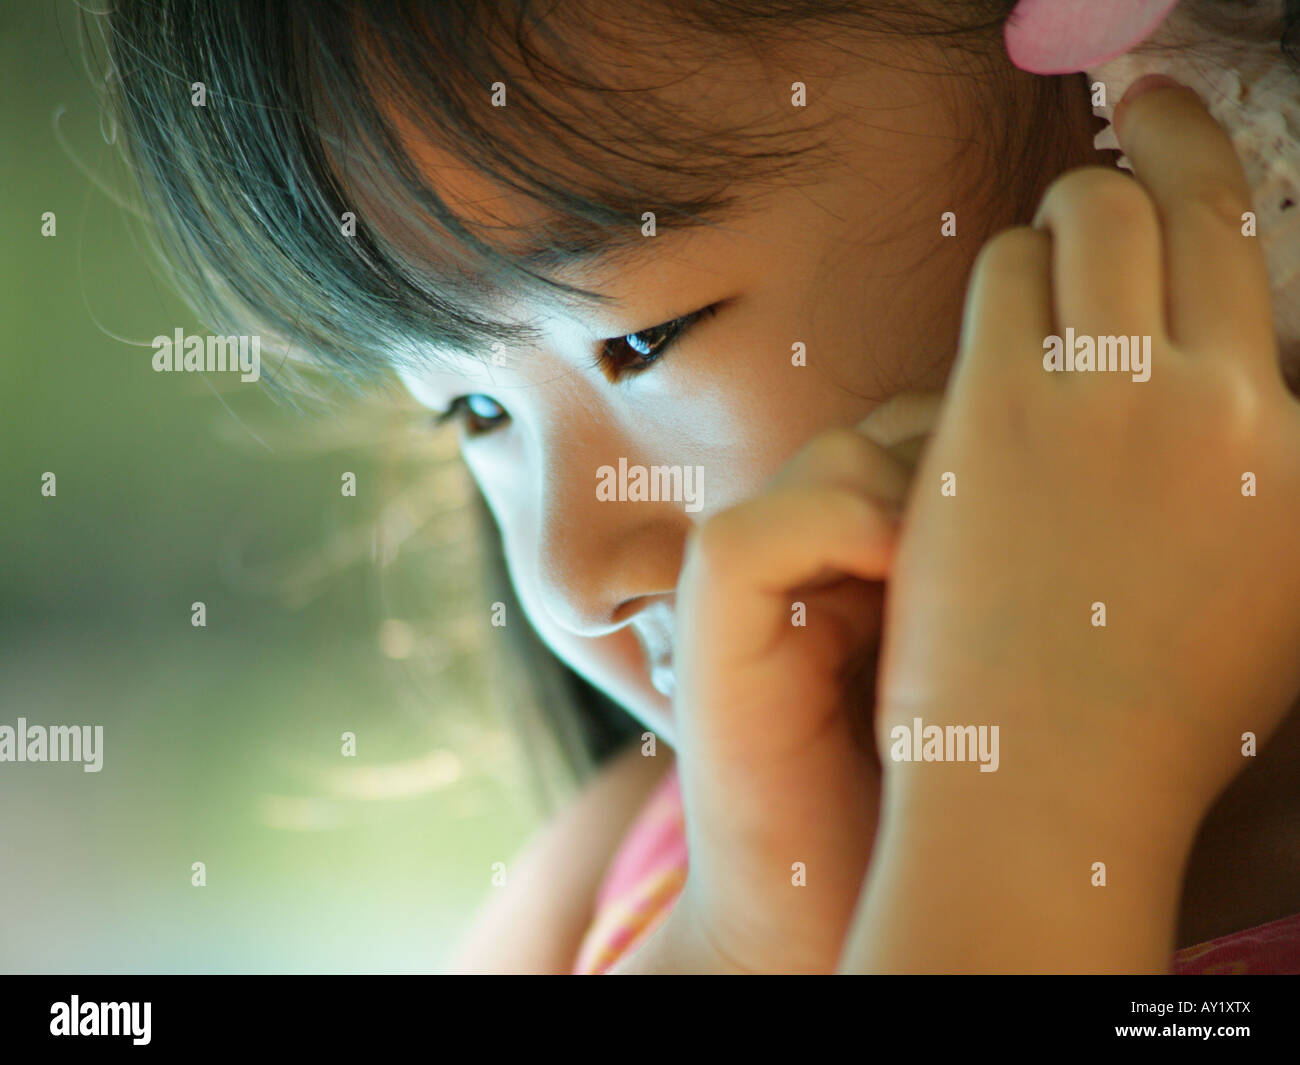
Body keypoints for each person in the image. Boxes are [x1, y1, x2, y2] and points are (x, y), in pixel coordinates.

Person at [103, 0, 1300, 973]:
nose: (569, 581)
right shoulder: (624, 875)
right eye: (475, 413)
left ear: (1216, 144)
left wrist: (1040, 803)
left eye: (646, 337)